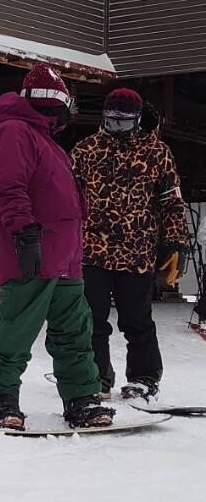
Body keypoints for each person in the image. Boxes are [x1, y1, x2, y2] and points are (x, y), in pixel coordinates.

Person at [0, 62, 113, 430]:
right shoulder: (14, 132)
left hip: (65, 258)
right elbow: (9, 188)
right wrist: (24, 234)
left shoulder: (45, 140)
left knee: (75, 332)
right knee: (17, 331)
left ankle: (81, 397)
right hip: (32, 255)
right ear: (56, 103)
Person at [70, 87, 189, 399]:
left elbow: (172, 202)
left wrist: (176, 241)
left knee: (137, 320)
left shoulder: (156, 152)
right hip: (93, 251)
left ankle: (144, 377)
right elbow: (68, 199)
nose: (116, 128)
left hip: (137, 251)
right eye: (111, 121)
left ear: (136, 120)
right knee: (91, 319)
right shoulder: (85, 150)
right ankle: (96, 376)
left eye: (123, 123)